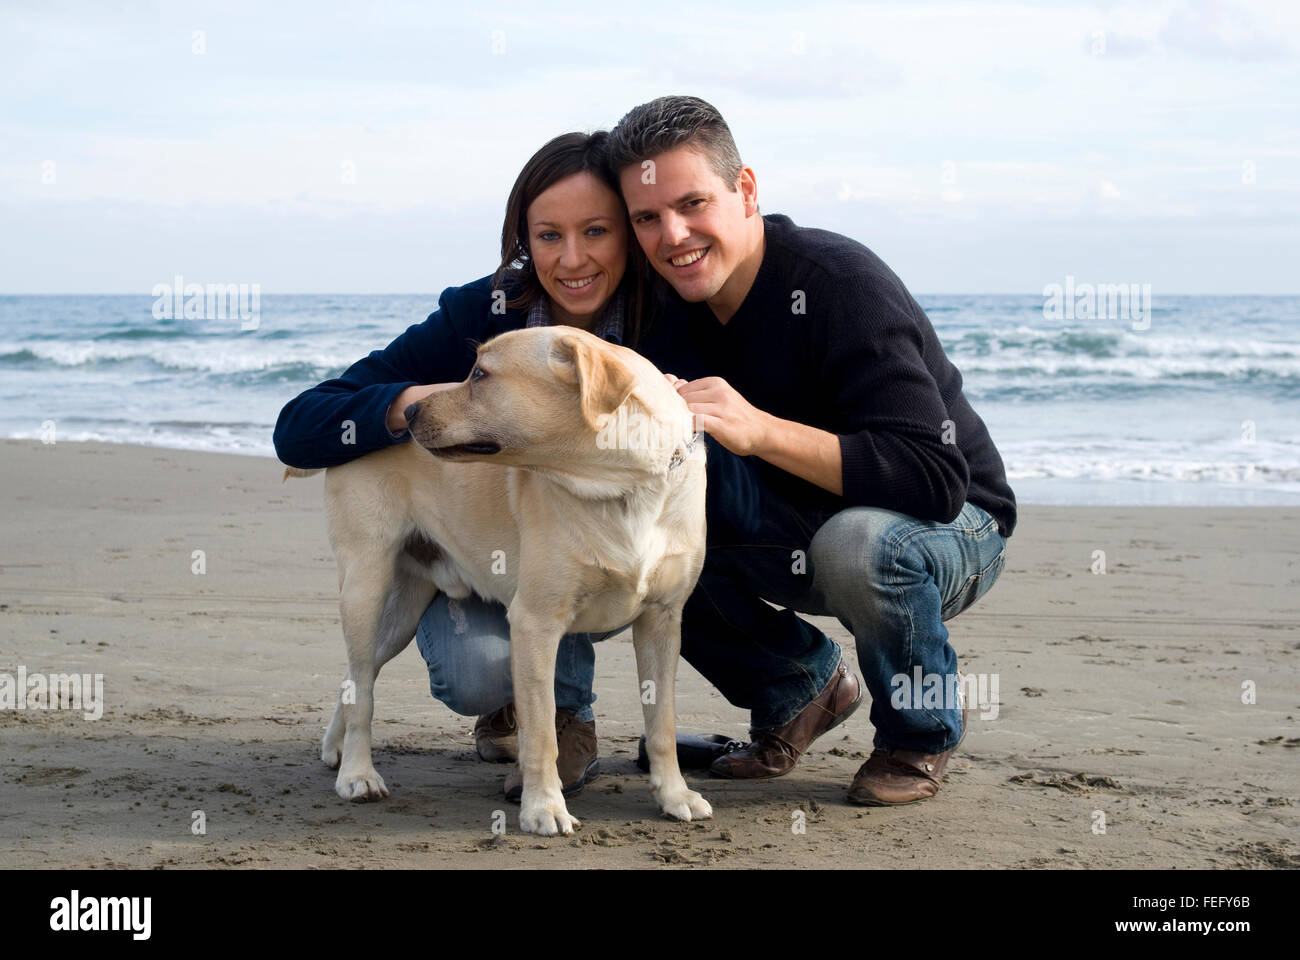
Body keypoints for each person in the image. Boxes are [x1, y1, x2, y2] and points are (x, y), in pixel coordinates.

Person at [607, 95, 1018, 805]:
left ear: (746, 191)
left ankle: (918, 735)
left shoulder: (837, 285)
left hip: (948, 528)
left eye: (692, 203)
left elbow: (936, 479)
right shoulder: (663, 308)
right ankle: (798, 687)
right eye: (647, 217)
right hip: (795, 525)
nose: (672, 235)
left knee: (861, 544)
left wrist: (758, 428)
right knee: (642, 533)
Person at [273, 131, 653, 800]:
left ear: (628, 232)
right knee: (469, 667)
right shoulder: (480, 312)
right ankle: (360, 729)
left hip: (615, 551)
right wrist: (412, 405)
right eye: (547, 235)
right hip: (472, 534)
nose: (572, 259)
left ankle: (568, 719)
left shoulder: (663, 318)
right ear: (521, 240)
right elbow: (302, 423)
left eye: (596, 230)